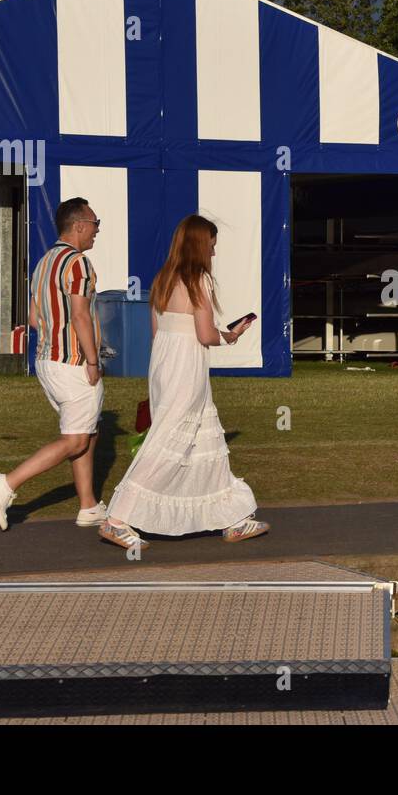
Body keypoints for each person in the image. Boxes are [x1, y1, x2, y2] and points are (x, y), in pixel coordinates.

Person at [98, 214, 268, 551]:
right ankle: (116, 519)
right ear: (201, 246)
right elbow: (204, 334)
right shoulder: (198, 280)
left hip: (164, 366)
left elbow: (157, 332)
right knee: (168, 442)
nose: (214, 254)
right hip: (186, 369)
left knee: (202, 439)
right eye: (212, 246)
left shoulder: (163, 278)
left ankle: (231, 517)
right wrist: (229, 336)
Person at [0, 197, 107, 531]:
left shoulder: (44, 262)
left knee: (86, 432)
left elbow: (34, 318)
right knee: (75, 440)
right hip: (73, 361)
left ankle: (88, 505)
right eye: (95, 224)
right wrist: (93, 359)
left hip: (46, 359)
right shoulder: (78, 263)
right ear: (79, 224)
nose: (97, 231)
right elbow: (81, 314)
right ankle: (8, 483)